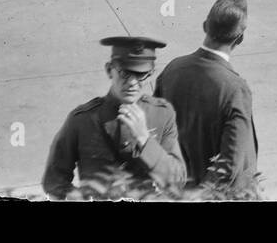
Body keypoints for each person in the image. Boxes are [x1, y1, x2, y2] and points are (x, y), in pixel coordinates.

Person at [42, 36, 186, 200]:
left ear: (151, 74)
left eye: (141, 74)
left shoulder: (162, 114)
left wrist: (145, 139)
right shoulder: (82, 120)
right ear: (109, 70)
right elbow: (54, 182)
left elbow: (177, 180)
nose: (132, 82)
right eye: (125, 73)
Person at [154, 0, 259, 191]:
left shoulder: (172, 70)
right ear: (240, 38)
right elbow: (230, 164)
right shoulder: (236, 89)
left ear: (205, 26)